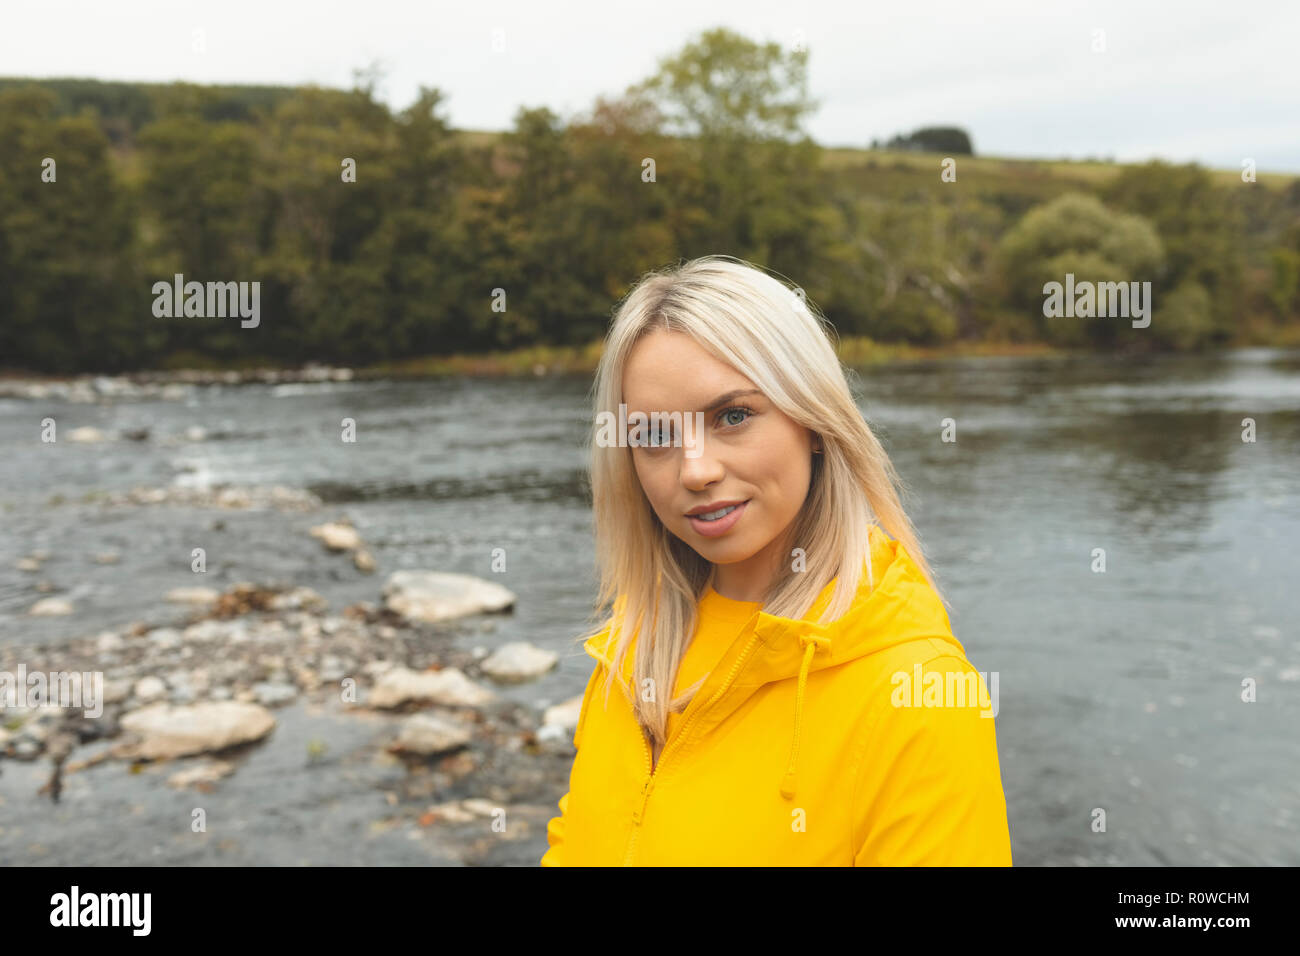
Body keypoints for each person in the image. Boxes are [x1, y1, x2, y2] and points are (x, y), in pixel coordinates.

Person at [540, 255, 1012, 866]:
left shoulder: (918, 696)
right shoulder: (631, 650)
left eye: (733, 416)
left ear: (814, 420)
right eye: (654, 435)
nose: (696, 470)